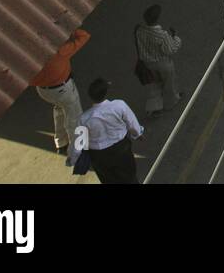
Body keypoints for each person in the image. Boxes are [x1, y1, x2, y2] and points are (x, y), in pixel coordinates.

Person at [29, 28, 90, 161]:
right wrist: (70, 29)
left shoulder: (31, 54)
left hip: (43, 91)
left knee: (59, 109)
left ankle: (61, 142)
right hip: (63, 89)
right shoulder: (60, 51)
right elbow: (84, 36)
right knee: (74, 117)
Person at [78, 78, 143, 184]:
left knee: (108, 180)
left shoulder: (84, 118)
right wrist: (138, 134)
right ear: (105, 93)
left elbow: (80, 142)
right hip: (121, 149)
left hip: (99, 156)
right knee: (129, 177)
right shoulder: (119, 105)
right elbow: (131, 122)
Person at [134, 5, 182, 119]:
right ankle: (171, 102)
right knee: (168, 82)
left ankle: (154, 108)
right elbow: (170, 50)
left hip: (147, 63)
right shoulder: (162, 35)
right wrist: (175, 37)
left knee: (154, 84)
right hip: (163, 63)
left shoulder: (139, 30)